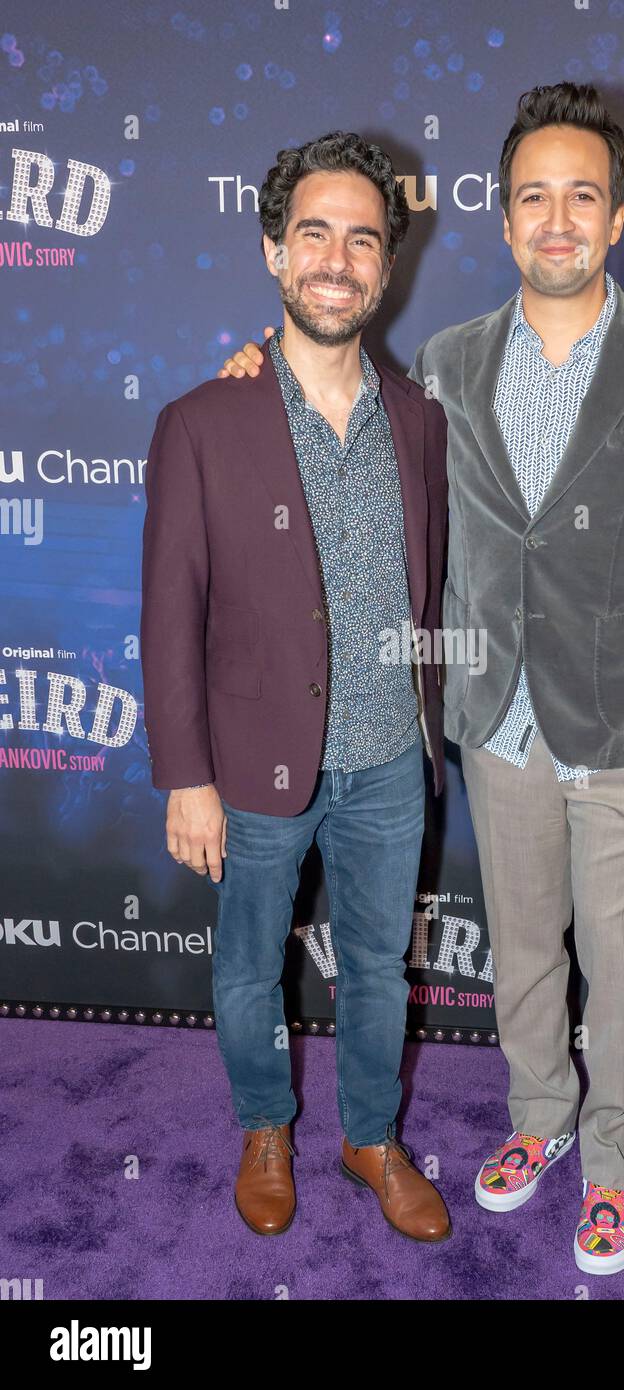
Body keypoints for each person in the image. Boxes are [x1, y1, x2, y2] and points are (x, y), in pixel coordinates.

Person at [219, 82, 624, 1275]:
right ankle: (537, 1122)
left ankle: (610, 1167)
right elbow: (327, 406)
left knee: (621, 974)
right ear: (503, 220)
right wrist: (253, 365)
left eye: (581, 199)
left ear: (617, 219)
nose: (555, 222)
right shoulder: (446, 366)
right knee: (520, 951)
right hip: (493, 721)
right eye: (531, 200)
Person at [141, 131, 451, 1243]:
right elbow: (167, 616)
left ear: (386, 265)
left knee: (377, 964)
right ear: (274, 251)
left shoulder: (418, 420)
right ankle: (264, 1123)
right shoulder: (200, 421)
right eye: (312, 232)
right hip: (250, 761)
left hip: (388, 761)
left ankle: (370, 1134)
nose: (336, 256)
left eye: (361, 238)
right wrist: (186, 777)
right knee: (247, 968)